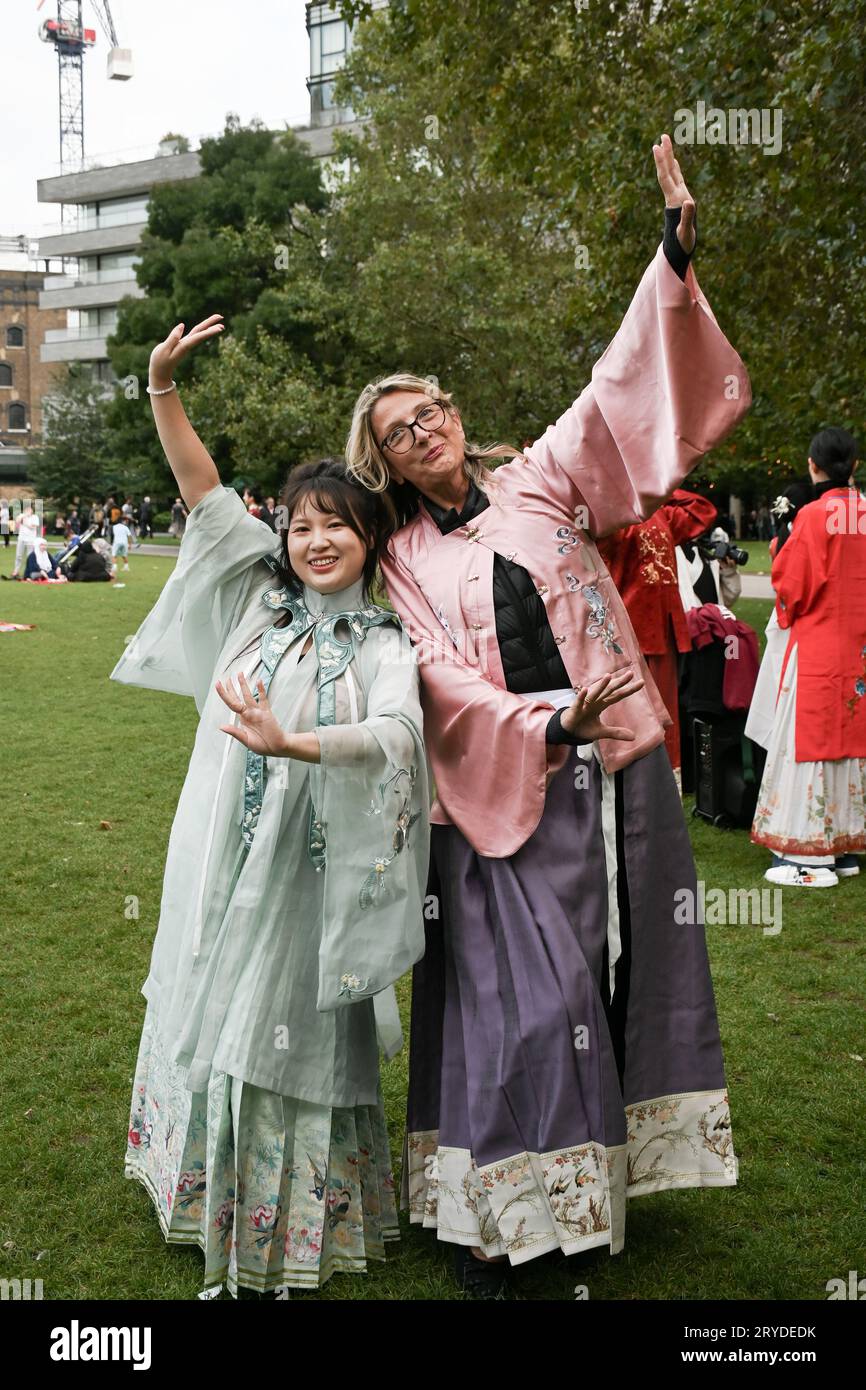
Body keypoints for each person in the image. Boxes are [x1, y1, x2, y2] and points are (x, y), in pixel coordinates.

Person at [345, 132, 750, 1296]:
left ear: (454, 415)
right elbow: (431, 673)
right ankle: (503, 1200)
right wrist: (541, 727)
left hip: (613, 756)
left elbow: (622, 382)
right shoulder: (404, 559)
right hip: (504, 782)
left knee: (618, 970)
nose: (422, 436)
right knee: (531, 995)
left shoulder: (540, 479)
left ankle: (584, 1179)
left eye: (428, 414)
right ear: (384, 463)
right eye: (397, 434)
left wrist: (670, 255)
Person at [111, 317, 430, 1298]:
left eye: (335, 522)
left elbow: (399, 737)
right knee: (205, 997)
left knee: (270, 1026)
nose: (314, 538)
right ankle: (200, 1189)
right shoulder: (257, 598)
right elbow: (201, 490)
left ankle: (283, 1229)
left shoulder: (382, 643)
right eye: (299, 524)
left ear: (369, 537)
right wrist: (162, 386)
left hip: (308, 885)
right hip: (213, 855)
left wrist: (298, 744)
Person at [751, 428, 866, 886]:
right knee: (849, 741)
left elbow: (792, 587)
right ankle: (841, 845)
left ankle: (809, 856)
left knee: (808, 743)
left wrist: (781, 556)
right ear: (854, 466)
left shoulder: (815, 517)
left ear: (813, 465)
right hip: (858, 649)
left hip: (818, 645)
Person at [596, 488, 718, 782]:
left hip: (663, 630)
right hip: (632, 629)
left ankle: (667, 778)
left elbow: (703, 509)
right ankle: (637, 778)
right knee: (632, 710)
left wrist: (665, 487)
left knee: (667, 709)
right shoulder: (616, 518)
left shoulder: (663, 514)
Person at [11, 504, 40, 578]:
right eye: (26, 509)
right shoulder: (22, 516)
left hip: (30, 539)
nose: (28, 511)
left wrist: (25, 523)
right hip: (21, 538)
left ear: (32, 510)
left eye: (29, 509)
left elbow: (33, 526)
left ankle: (29, 571)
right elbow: (17, 522)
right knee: (18, 555)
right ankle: (16, 571)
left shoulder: (35, 517)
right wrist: (23, 516)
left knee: (29, 556)